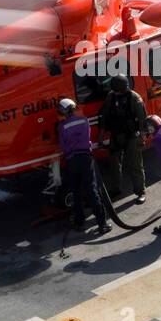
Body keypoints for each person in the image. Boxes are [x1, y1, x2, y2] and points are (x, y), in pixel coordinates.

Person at [56, 98, 108, 235]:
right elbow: (88, 136)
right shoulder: (84, 120)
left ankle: (79, 222)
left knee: (76, 192)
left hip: (72, 161)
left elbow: (62, 145)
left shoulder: (62, 126)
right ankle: (102, 224)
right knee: (92, 190)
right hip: (86, 159)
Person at [98, 74, 147, 203]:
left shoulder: (135, 98)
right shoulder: (111, 96)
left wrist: (142, 138)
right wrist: (101, 134)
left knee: (135, 164)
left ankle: (140, 191)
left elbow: (142, 121)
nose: (117, 92)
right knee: (114, 164)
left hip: (131, 136)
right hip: (116, 135)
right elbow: (105, 116)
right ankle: (115, 188)